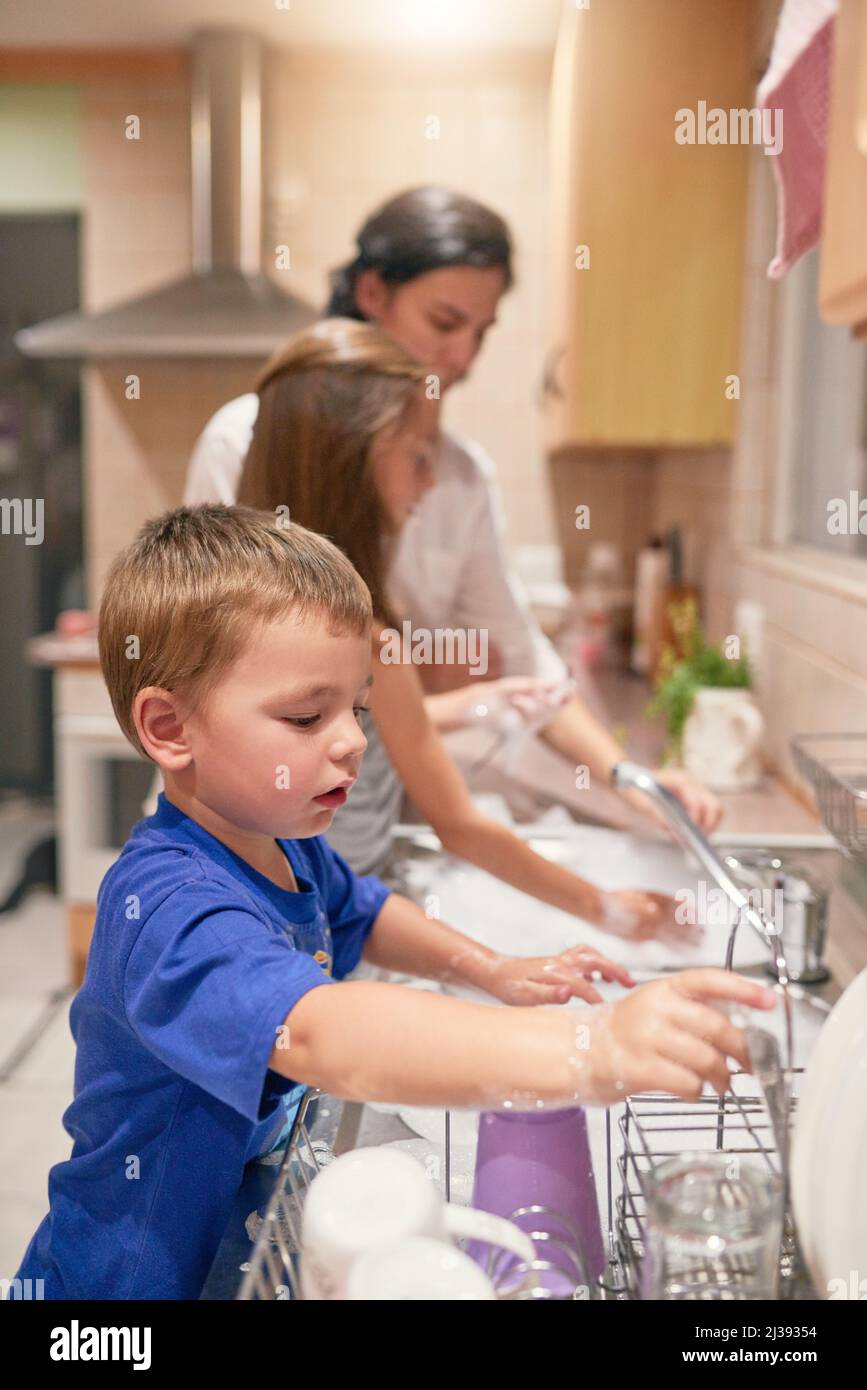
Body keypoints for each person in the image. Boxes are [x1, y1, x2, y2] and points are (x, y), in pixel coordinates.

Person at [11, 505, 774, 1300]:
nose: (351, 741)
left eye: (357, 707)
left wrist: (496, 969)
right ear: (170, 728)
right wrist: (591, 1047)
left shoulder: (281, 838)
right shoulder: (169, 911)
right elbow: (317, 1034)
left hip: (234, 1253)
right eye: (307, 716)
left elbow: (364, 911)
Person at [184, 185, 721, 836]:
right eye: (444, 323)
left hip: (374, 823)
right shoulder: (241, 443)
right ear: (373, 294)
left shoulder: (461, 479)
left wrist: (628, 777)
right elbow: (221, 681)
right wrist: (460, 707)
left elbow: (523, 662)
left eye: (481, 332)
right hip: (247, 830)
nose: (463, 358)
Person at [237, 318, 695, 945]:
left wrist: (480, 704)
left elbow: (355, 724)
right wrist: (610, 909)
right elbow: (463, 827)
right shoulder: (364, 633)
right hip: (323, 933)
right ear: (353, 461)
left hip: (264, 924)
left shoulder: (240, 608)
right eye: (418, 456)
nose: (430, 480)